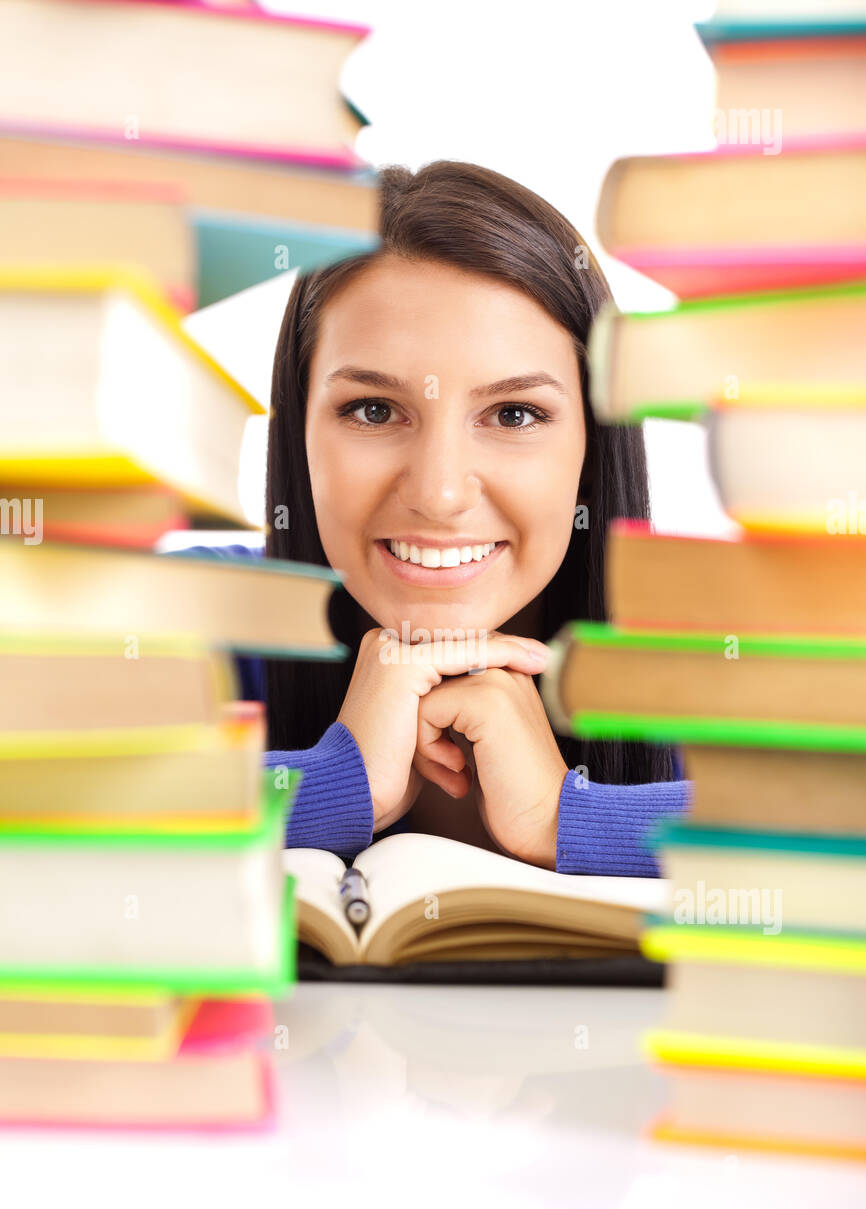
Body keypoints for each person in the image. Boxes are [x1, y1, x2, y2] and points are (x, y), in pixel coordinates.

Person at [218, 161, 689, 874]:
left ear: (592, 447)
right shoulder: (198, 619)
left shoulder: (722, 657)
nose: (439, 495)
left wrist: (569, 818)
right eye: (373, 411)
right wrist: (333, 783)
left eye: (514, 414)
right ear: (299, 433)